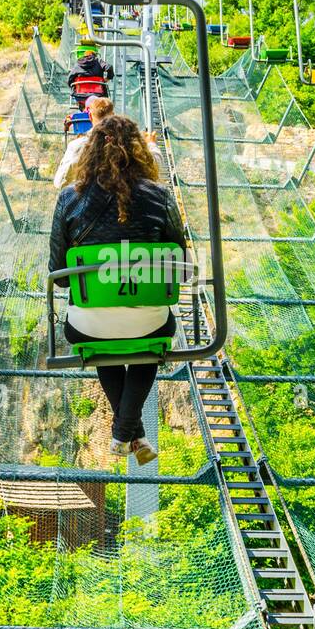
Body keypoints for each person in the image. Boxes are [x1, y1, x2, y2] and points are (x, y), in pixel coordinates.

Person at [49, 114, 186, 464]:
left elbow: (61, 276)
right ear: (139, 151)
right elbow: (181, 268)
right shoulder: (159, 197)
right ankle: (128, 431)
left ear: (90, 151)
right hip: (150, 324)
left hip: (89, 328)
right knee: (148, 338)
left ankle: (126, 431)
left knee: (102, 338)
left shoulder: (68, 200)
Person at [54, 97, 163, 190]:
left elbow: (60, 182)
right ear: (113, 115)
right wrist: (151, 145)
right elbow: (153, 166)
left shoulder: (78, 146)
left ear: (90, 117)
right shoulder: (129, 142)